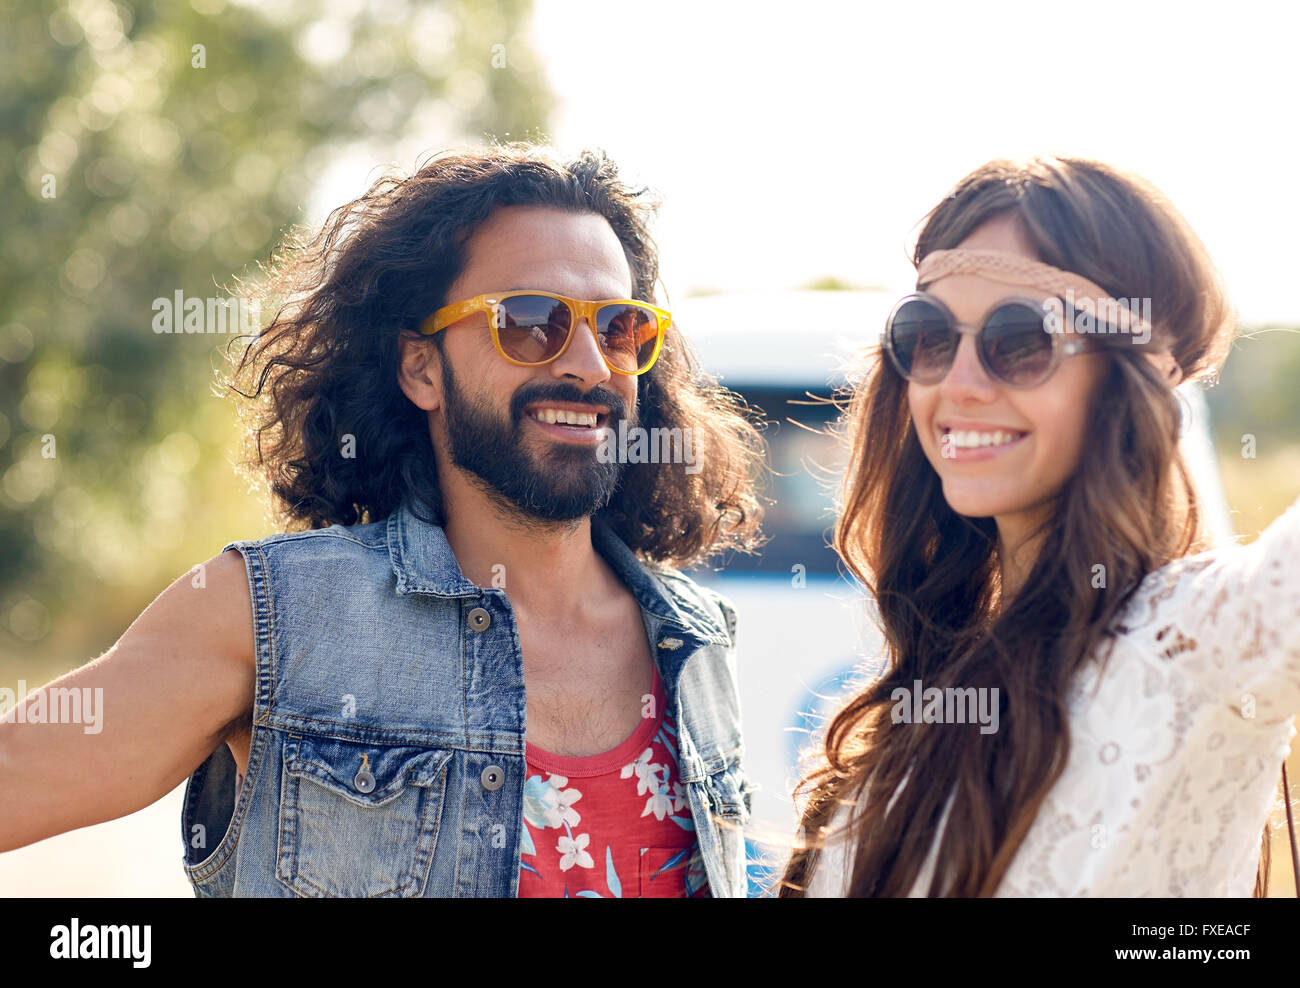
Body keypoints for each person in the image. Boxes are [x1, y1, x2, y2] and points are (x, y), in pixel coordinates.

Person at [0, 144, 764, 898]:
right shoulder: (270, 619)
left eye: (619, 329)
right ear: (420, 368)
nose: (590, 366)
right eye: (532, 322)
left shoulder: (696, 642)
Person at [780, 154, 1299, 897]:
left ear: (1134, 377)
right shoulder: (921, 687)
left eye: (1018, 342)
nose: (958, 383)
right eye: (929, 336)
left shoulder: (1191, 642)